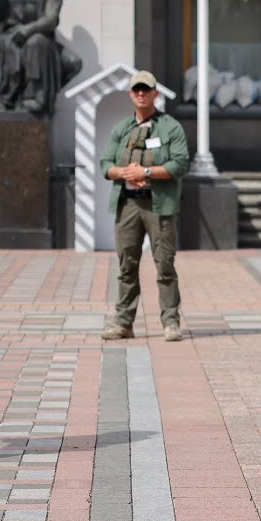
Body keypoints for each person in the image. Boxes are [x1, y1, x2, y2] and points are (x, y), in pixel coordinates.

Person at [99, 70, 192, 342]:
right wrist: (125, 173)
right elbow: (105, 164)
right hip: (127, 205)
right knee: (126, 266)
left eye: (146, 89)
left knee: (165, 266)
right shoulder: (121, 128)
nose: (141, 94)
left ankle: (171, 323)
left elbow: (180, 163)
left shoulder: (170, 127)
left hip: (159, 206)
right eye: (137, 89)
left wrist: (146, 172)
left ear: (155, 93)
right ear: (131, 94)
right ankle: (123, 323)